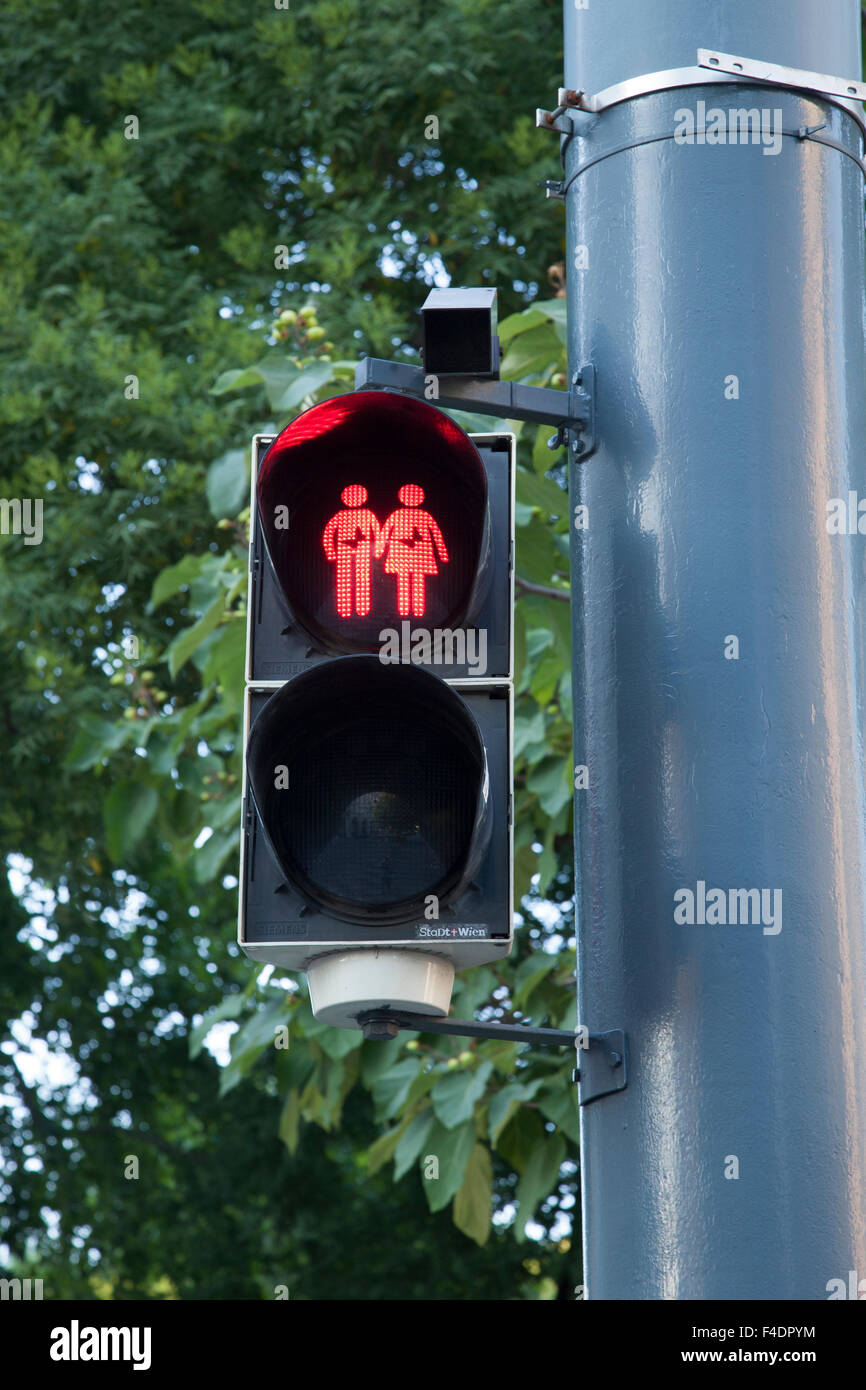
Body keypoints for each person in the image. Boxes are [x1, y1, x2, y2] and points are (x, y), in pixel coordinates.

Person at [377, 483, 448, 618]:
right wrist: (442, 553)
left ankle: (413, 610)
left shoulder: (404, 515)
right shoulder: (420, 515)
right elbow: (385, 532)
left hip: (405, 553)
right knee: (411, 581)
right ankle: (413, 610)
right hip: (415, 553)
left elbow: (435, 534)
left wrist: (379, 551)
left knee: (412, 581)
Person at [321, 484, 380, 618]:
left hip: (362, 552)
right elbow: (329, 533)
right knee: (347, 580)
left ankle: (360, 608)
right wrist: (331, 553)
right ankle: (347, 608)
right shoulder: (342, 516)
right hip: (350, 552)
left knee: (361, 579)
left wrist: (377, 550)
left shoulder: (367, 515)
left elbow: (377, 532)